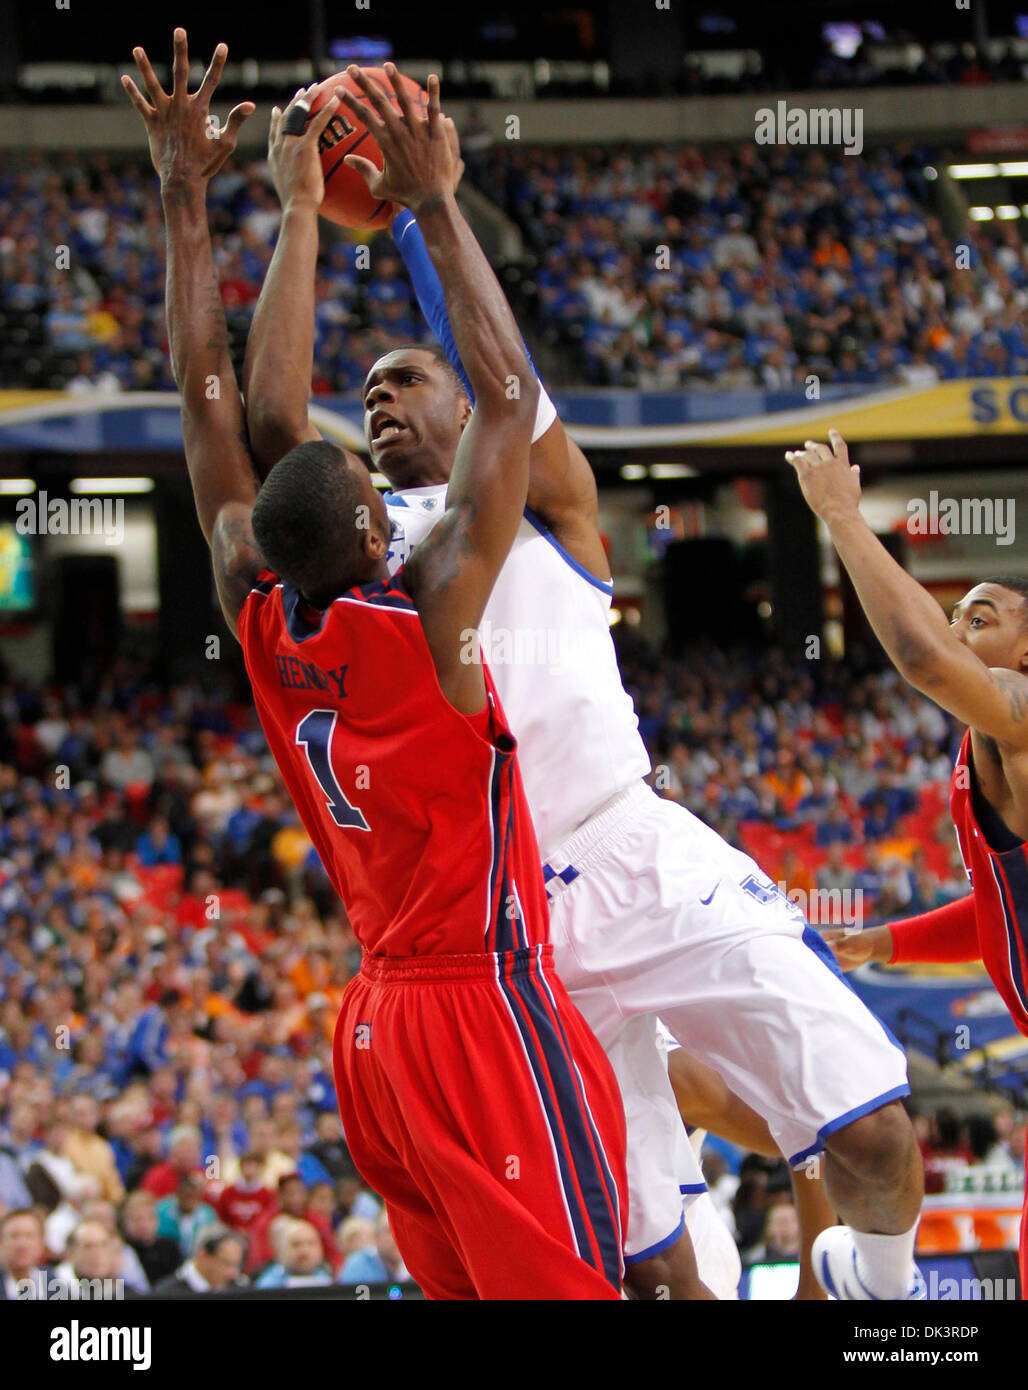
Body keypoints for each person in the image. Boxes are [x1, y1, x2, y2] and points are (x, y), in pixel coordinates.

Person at [243, 68, 924, 1300]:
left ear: (467, 396)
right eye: (369, 392)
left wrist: (421, 214)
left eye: (406, 379)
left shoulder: (540, 500)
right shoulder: (365, 547)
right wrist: (296, 210)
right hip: (502, 934)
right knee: (650, 1274)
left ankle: (879, 1287)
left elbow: (507, 384)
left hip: (630, 851)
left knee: (873, 1133)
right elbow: (268, 424)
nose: (380, 398)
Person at [123, 34, 626, 1301]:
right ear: (367, 531)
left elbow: (215, 409)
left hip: (377, 1025)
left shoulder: (260, 605)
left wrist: (216, 207)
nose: (366, 447)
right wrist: (440, 200)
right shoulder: (431, 612)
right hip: (479, 1011)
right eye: (368, 472)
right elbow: (506, 402)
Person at [788, 427, 1028, 1297]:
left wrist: (844, 518)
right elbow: (1003, 910)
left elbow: (924, 656)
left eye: (984, 615)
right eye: (957, 610)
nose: (958, 625)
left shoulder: (1026, 713)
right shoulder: (983, 750)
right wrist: (883, 942)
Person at [152, 1224, 247, 1295]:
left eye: (237, 1265)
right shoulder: (167, 1293)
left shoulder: (241, 1288)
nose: (234, 1273)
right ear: (203, 1255)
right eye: (226, 1264)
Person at [338, 1208, 411, 1286]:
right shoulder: (358, 1266)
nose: (397, 1238)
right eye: (389, 1231)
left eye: (402, 1230)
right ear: (376, 1236)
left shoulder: (413, 1267)